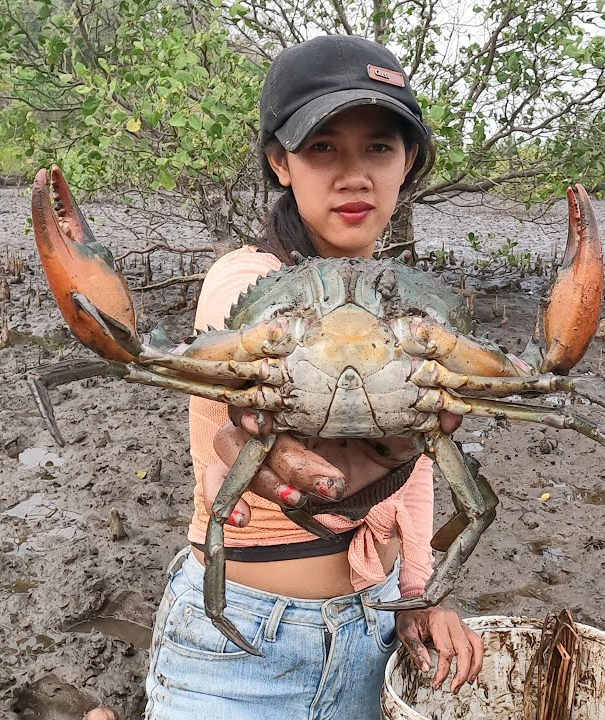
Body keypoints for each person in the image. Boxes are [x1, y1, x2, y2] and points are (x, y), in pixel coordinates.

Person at [141, 35, 485, 719]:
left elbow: (418, 462)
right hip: (241, 645)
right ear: (280, 162)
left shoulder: (406, 302)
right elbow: (248, 439)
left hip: (374, 633)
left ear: (408, 163)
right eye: (323, 147)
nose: (354, 176)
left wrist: (419, 593)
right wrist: (250, 443)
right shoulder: (249, 285)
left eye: (379, 148)